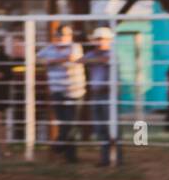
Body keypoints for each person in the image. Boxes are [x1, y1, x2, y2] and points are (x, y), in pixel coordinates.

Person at [39, 24, 85, 162]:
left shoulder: (75, 46)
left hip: (74, 92)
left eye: (64, 35)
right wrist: (57, 60)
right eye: (59, 35)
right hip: (57, 91)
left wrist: (51, 61)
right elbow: (38, 59)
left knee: (70, 123)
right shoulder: (49, 48)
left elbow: (73, 58)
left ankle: (59, 144)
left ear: (70, 36)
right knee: (64, 123)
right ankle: (70, 157)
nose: (61, 38)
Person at [83, 26, 114, 165]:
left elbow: (106, 60)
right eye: (98, 39)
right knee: (100, 127)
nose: (100, 42)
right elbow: (79, 61)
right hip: (96, 94)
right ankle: (105, 158)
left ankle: (114, 157)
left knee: (111, 127)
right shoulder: (92, 54)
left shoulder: (112, 54)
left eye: (103, 39)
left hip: (109, 95)